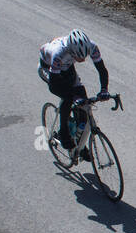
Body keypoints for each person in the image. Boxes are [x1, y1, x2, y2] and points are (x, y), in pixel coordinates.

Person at [39, 28, 109, 162]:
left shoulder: (92, 46)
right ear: (71, 51)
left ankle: (79, 144)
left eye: (85, 56)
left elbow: (102, 69)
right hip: (48, 68)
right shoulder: (58, 53)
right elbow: (54, 84)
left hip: (67, 67)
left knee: (83, 102)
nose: (82, 60)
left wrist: (104, 90)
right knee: (68, 97)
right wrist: (73, 96)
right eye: (79, 56)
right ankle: (64, 133)